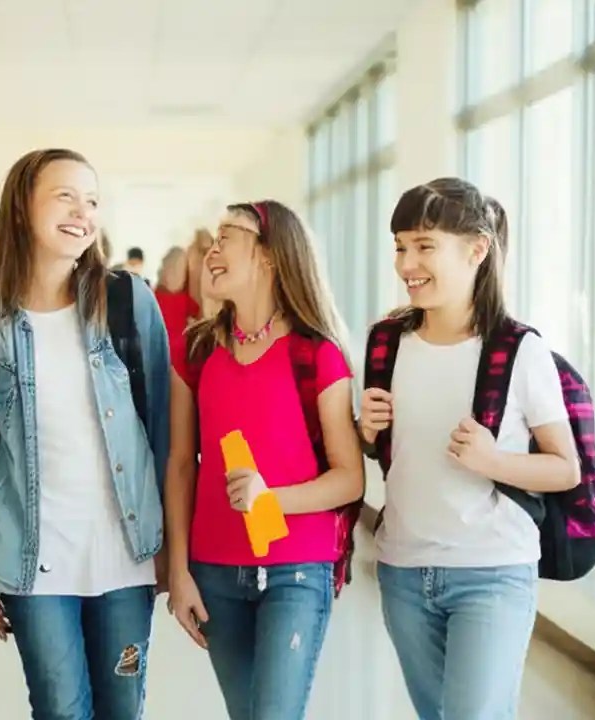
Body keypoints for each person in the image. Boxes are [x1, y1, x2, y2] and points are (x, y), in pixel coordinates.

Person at [0, 148, 171, 720]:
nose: (83, 212)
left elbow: (163, 429)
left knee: (123, 705)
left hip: (126, 554)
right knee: (59, 709)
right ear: (22, 208)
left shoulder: (127, 301)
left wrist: (176, 546)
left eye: (92, 199)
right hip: (33, 556)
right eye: (65, 196)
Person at [359, 178, 580, 720]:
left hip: (493, 569)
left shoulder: (519, 349)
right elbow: (388, 450)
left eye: (424, 246)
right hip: (404, 569)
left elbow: (565, 467)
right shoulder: (386, 340)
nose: (407, 263)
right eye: (400, 247)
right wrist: (365, 428)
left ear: (477, 250)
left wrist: (493, 461)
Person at [165, 200, 364, 720]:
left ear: (270, 257)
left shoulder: (318, 354)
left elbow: (349, 478)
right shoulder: (198, 350)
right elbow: (182, 463)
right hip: (214, 571)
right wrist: (179, 570)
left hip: (297, 570)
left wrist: (270, 497)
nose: (213, 248)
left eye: (228, 235)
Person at [154, 245, 200, 354]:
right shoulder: (154, 297)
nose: (175, 276)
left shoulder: (185, 299)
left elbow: (198, 314)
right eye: (172, 270)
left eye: (180, 271)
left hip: (180, 353)